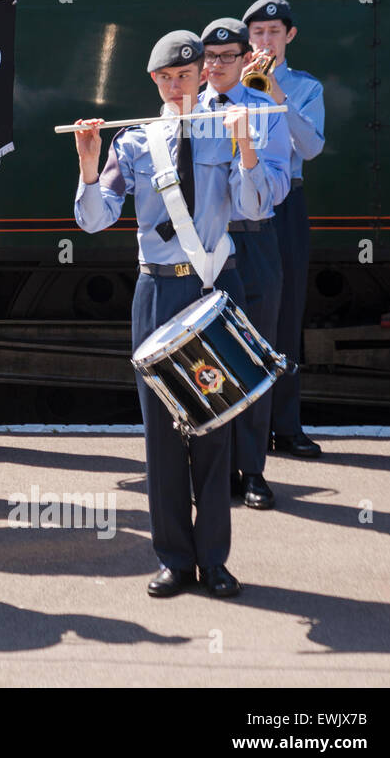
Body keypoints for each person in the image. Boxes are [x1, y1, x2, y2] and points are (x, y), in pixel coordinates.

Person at [73, 30, 276, 599]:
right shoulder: (136, 142)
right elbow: (94, 219)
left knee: (214, 424)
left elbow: (258, 207)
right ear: (155, 82)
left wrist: (246, 149)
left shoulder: (227, 129)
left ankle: (214, 559)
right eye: (166, 77)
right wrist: (90, 165)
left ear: (202, 76)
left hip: (213, 286)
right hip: (157, 294)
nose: (177, 84)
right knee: (162, 433)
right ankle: (173, 559)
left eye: (186, 75)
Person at [195, 18, 291, 510]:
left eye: (225, 57)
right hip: (205, 244)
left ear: (245, 58)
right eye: (207, 58)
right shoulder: (191, 111)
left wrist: (246, 152)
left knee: (255, 358)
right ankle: (213, 467)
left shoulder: (266, 109)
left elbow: (276, 187)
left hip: (251, 243)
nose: (213, 66)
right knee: (208, 357)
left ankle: (251, 470)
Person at [243, 0, 326, 459]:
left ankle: (286, 426)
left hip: (286, 202)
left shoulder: (306, 87)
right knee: (244, 311)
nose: (266, 40)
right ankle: (243, 428)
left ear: (289, 35)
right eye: (257, 32)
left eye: (274, 31)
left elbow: (310, 148)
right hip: (243, 202)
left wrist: (277, 93)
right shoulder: (232, 82)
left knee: (288, 313)